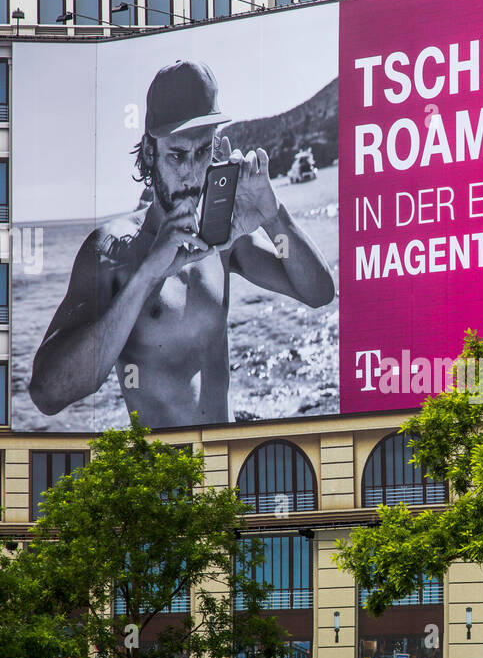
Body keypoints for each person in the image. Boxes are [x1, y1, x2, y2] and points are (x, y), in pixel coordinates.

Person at [29, 60, 335, 429]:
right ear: (148, 152)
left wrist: (272, 215)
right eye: (177, 155)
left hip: (224, 470)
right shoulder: (111, 248)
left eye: (202, 152)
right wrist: (148, 274)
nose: (191, 173)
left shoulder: (222, 237)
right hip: (165, 478)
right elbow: (47, 395)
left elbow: (318, 292)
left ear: (217, 150)